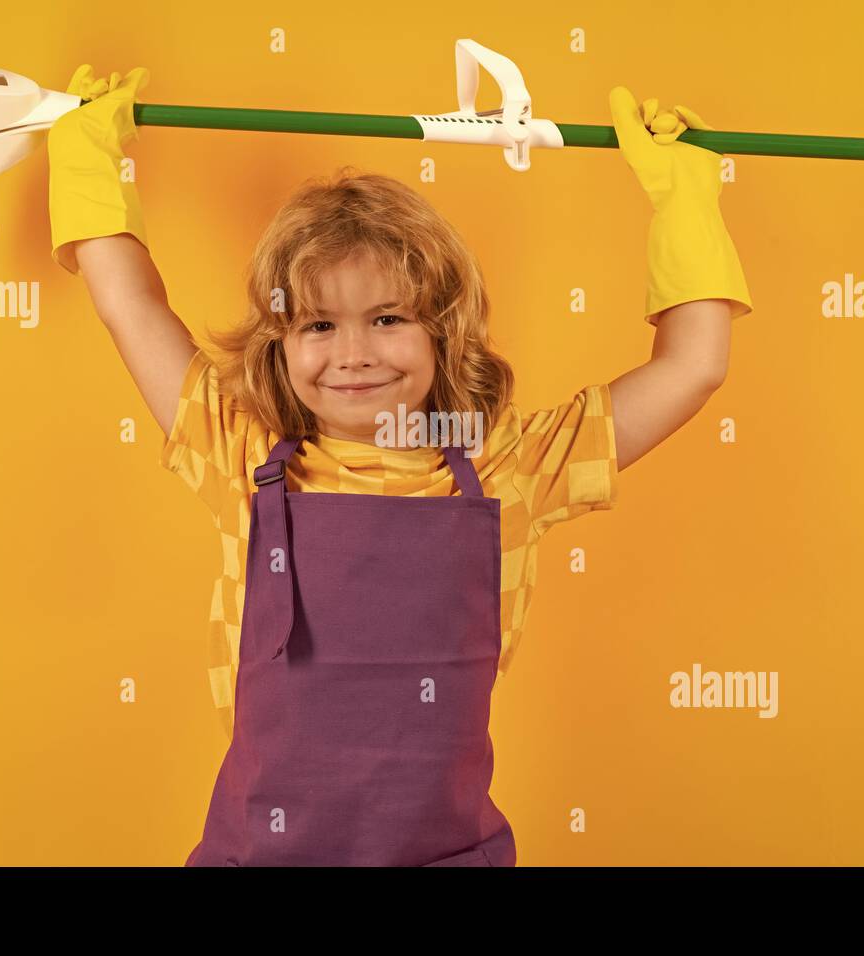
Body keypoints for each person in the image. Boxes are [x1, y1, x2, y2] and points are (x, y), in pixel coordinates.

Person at [47, 65, 753, 866]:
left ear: (441, 335)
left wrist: (685, 198)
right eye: (317, 324)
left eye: (387, 318)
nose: (352, 355)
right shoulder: (236, 448)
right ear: (281, 344)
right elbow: (131, 304)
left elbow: (693, 366)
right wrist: (87, 158)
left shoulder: (514, 465)